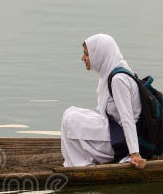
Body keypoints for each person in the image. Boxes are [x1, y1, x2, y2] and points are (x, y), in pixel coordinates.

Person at [61, 33, 146, 169]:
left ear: (99, 54)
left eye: (87, 54)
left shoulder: (118, 80)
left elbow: (127, 118)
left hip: (122, 140)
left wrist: (134, 153)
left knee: (70, 120)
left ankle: (80, 165)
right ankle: (77, 162)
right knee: (70, 112)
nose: (83, 58)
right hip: (116, 131)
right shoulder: (114, 70)